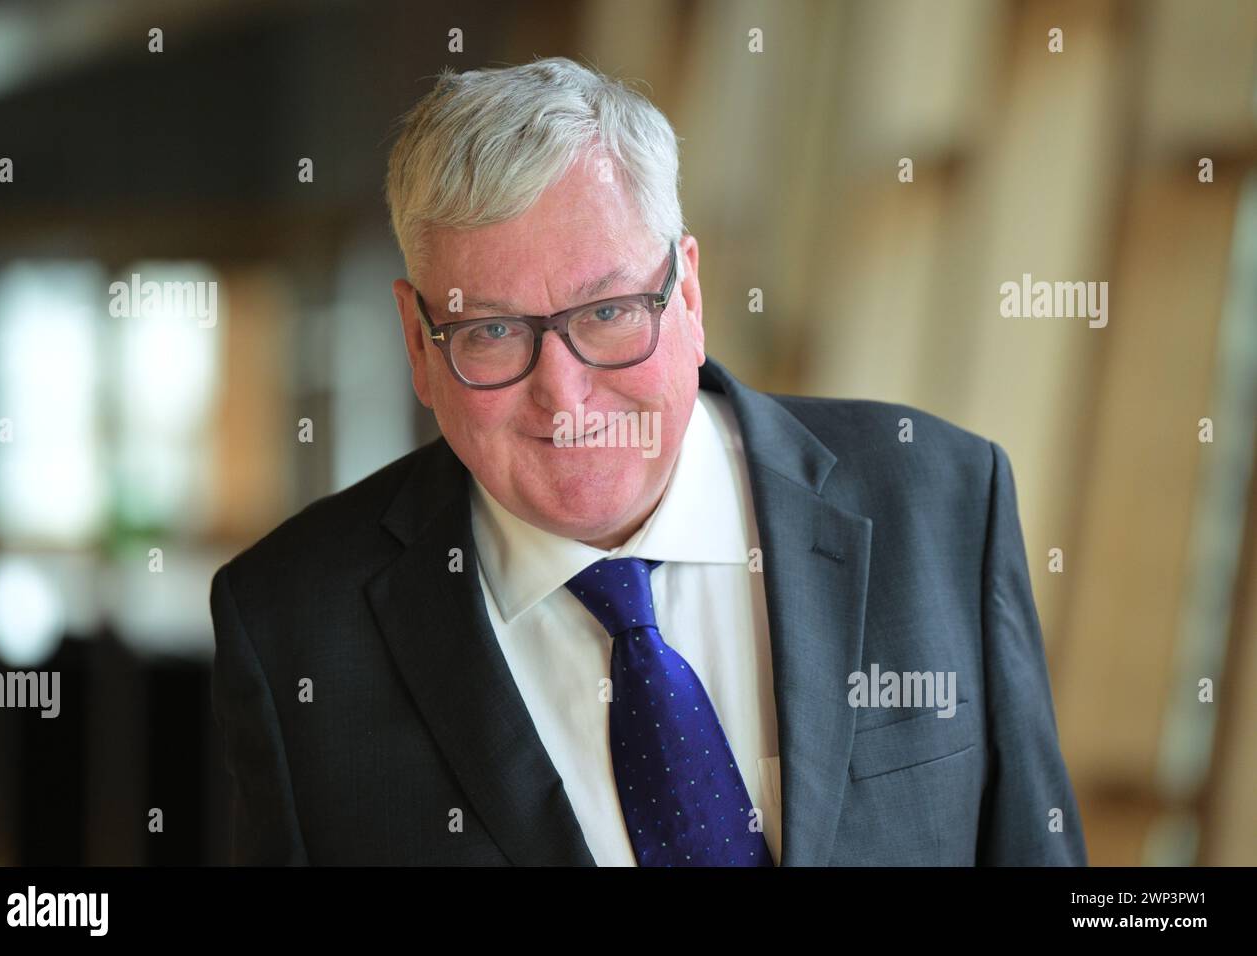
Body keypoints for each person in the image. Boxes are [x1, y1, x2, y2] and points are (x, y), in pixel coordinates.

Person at [210, 56, 1087, 866]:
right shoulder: (293, 626)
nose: (565, 395)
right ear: (418, 340)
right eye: (491, 332)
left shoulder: (940, 501)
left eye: (607, 314)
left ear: (690, 293)